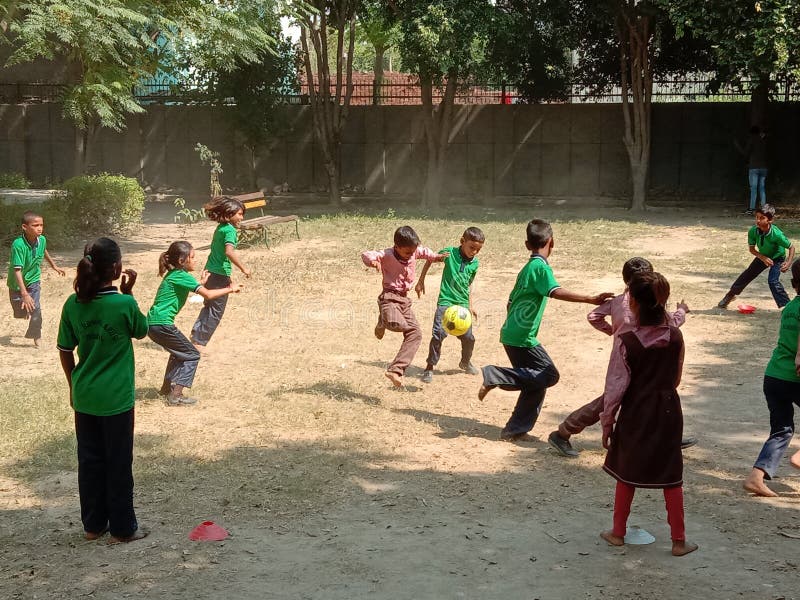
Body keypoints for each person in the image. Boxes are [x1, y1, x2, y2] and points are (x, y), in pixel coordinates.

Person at [477, 219, 614, 441]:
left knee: (536, 380)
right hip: (522, 337)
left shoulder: (526, 269)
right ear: (552, 242)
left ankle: (515, 430)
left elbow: (510, 302)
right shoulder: (540, 268)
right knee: (548, 375)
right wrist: (590, 299)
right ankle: (495, 375)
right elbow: (555, 291)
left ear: (526, 244)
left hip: (511, 333)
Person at [548, 257, 696, 457]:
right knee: (620, 398)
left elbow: (593, 316)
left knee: (631, 397)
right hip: (640, 360)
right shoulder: (650, 304)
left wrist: (612, 331)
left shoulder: (618, 302)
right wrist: (681, 311)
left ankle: (667, 437)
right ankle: (563, 431)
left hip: (625, 355)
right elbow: (670, 325)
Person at [56, 238, 149, 544]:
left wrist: (73, 385)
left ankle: (93, 526)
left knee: (90, 461)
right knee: (118, 462)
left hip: (85, 395)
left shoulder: (73, 304)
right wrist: (129, 292)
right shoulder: (123, 304)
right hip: (117, 399)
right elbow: (142, 330)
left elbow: (65, 349)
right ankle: (123, 528)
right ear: (117, 268)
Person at [599, 271, 697, 557]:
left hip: (636, 410)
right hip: (668, 409)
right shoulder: (675, 336)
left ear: (633, 303)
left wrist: (607, 422)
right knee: (671, 472)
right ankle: (679, 541)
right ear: (663, 301)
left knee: (626, 470)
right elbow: (676, 377)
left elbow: (615, 386)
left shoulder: (627, 340)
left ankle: (618, 532)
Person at [148, 241, 241, 406]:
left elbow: (189, 288)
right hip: (162, 324)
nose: (195, 260)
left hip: (153, 324)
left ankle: (166, 389)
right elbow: (209, 295)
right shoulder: (181, 276)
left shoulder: (176, 275)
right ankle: (176, 396)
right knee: (192, 354)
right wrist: (230, 289)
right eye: (192, 257)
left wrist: (202, 282)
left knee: (178, 353)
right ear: (182, 261)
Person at [362, 226, 448, 387]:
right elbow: (366, 255)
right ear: (397, 247)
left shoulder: (413, 251)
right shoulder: (387, 254)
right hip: (389, 298)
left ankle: (396, 370)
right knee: (398, 324)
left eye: (413, 252)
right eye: (408, 252)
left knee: (415, 333)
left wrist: (436, 257)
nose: (411, 255)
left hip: (404, 300)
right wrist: (373, 262)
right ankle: (384, 320)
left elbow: (424, 252)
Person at [743, 259, 800, 497]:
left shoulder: (790, 307)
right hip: (794, 376)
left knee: (782, 429)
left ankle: (756, 477)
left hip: (774, 375)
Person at [415, 227, 485, 383]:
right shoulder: (449, 253)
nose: (474, 252)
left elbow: (468, 284)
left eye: (478, 250)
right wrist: (421, 281)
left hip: (462, 305)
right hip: (445, 301)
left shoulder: (475, 263)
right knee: (438, 334)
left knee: (469, 338)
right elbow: (431, 259)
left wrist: (470, 305)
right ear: (462, 241)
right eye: (471, 247)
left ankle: (465, 362)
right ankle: (429, 367)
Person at [190, 196, 251, 349]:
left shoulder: (221, 228)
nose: (241, 217)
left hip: (210, 272)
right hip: (219, 275)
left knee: (208, 306)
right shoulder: (230, 230)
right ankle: (199, 343)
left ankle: (196, 335)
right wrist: (244, 268)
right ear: (229, 213)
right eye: (239, 214)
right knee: (216, 311)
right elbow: (229, 252)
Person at [718, 204, 795, 310]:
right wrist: (763, 258)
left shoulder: (777, 235)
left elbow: (791, 247)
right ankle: (730, 295)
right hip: (763, 256)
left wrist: (788, 262)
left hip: (777, 258)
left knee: (773, 281)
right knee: (747, 274)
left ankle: (788, 307)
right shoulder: (753, 231)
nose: (758, 220)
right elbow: (752, 249)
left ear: (770, 220)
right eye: (757, 217)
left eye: (762, 218)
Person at [6, 210, 65, 346]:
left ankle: (36, 335)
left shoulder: (42, 239)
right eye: (35, 225)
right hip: (16, 283)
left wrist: (54, 266)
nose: (39, 228)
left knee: (36, 308)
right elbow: (17, 270)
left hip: (33, 279)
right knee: (20, 312)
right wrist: (24, 294)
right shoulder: (18, 245)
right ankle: (25, 310)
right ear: (24, 227)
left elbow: (43, 250)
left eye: (41, 225)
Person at [735, 125, 768, 214]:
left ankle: (752, 208)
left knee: (753, 188)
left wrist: (738, 146)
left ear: (751, 133)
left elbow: (745, 153)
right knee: (762, 188)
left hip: (754, 167)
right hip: (764, 167)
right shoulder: (763, 141)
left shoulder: (752, 140)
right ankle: (764, 209)